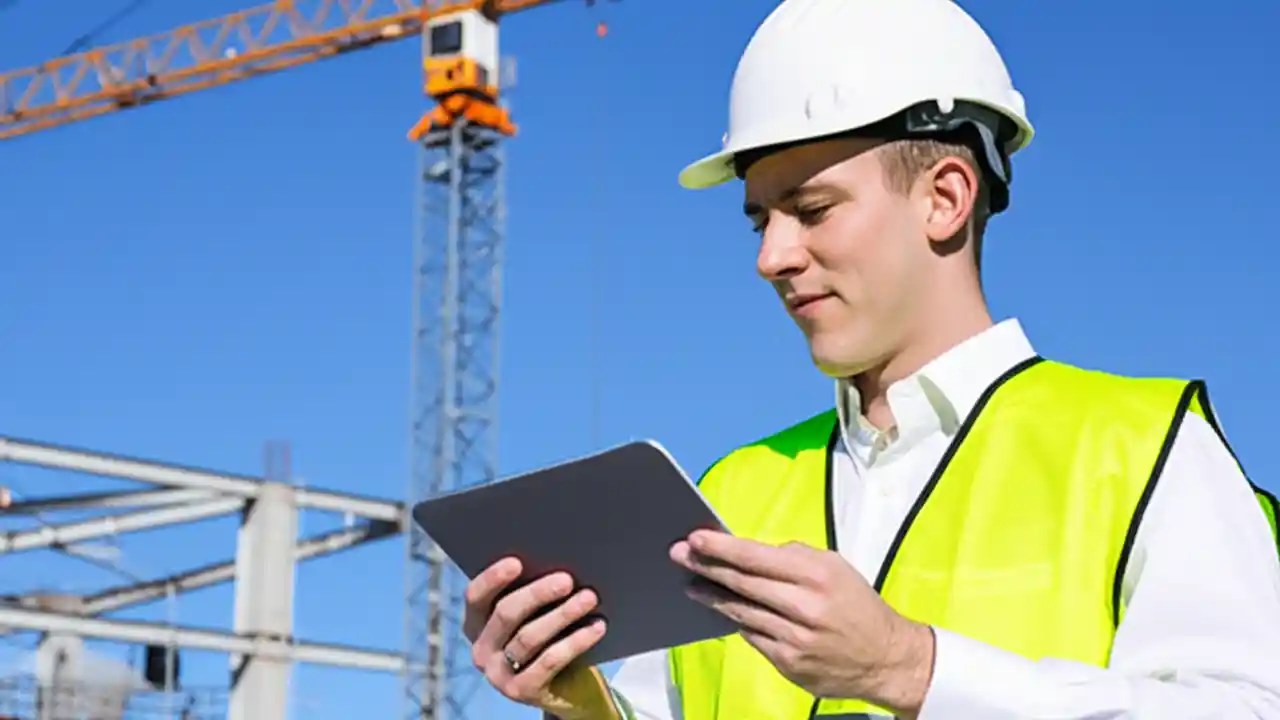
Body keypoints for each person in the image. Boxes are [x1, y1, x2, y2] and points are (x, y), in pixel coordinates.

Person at [461, 0, 1280, 717]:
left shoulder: (1143, 449)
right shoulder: (727, 496)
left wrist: (910, 669)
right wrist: (577, 707)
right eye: (760, 221)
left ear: (946, 197)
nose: (772, 256)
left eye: (811, 209)